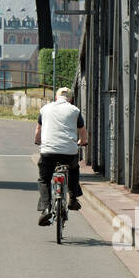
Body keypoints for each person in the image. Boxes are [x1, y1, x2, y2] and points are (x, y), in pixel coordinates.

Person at [34, 87, 87, 225]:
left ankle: (46, 208)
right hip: (69, 152)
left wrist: (38, 141)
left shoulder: (45, 109)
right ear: (70, 99)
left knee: (44, 179)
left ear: (56, 97)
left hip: (48, 152)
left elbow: (38, 129)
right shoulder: (75, 110)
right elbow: (82, 131)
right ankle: (73, 198)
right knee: (74, 170)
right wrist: (83, 141)